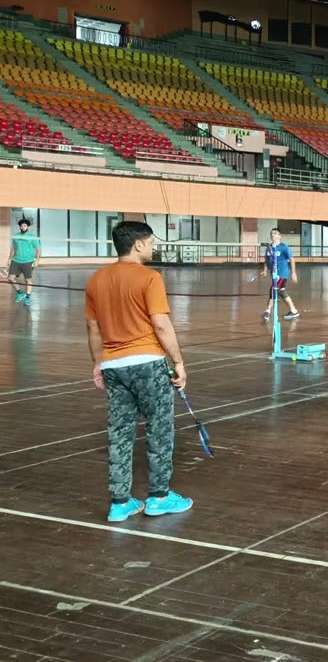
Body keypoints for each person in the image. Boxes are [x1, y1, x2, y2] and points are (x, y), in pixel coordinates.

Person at [85, 221, 193, 522]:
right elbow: (160, 324)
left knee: (119, 432)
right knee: (159, 429)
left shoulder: (95, 280)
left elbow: (93, 328)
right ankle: (158, 497)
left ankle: (120, 502)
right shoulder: (150, 278)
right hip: (147, 363)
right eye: (151, 241)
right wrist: (178, 362)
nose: (154, 246)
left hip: (113, 366)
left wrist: (99, 363)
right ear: (138, 245)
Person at [260, 228, 300, 321]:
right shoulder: (269, 248)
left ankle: (268, 311)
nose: (272, 234)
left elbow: (292, 259)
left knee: (274, 289)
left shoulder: (284, 247)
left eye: (275, 233)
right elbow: (267, 260)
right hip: (274, 274)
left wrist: (293, 273)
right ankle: (294, 311)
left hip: (282, 273)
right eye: (271, 233)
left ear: (279, 236)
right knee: (281, 292)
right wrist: (265, 270)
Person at [6, 217, 41, 307]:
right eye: (21, 226)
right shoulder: (16, 236)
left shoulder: (33, 237)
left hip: (28, 261)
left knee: (28, 280)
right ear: (20, 227)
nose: (23, 227)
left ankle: (27, 298)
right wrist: (9, 259)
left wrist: (37, 260)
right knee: (10, 278)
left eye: (25, 226)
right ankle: (20, 292)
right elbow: (13, 248)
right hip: (16, 260)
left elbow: (38, 249)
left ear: (28, 227)